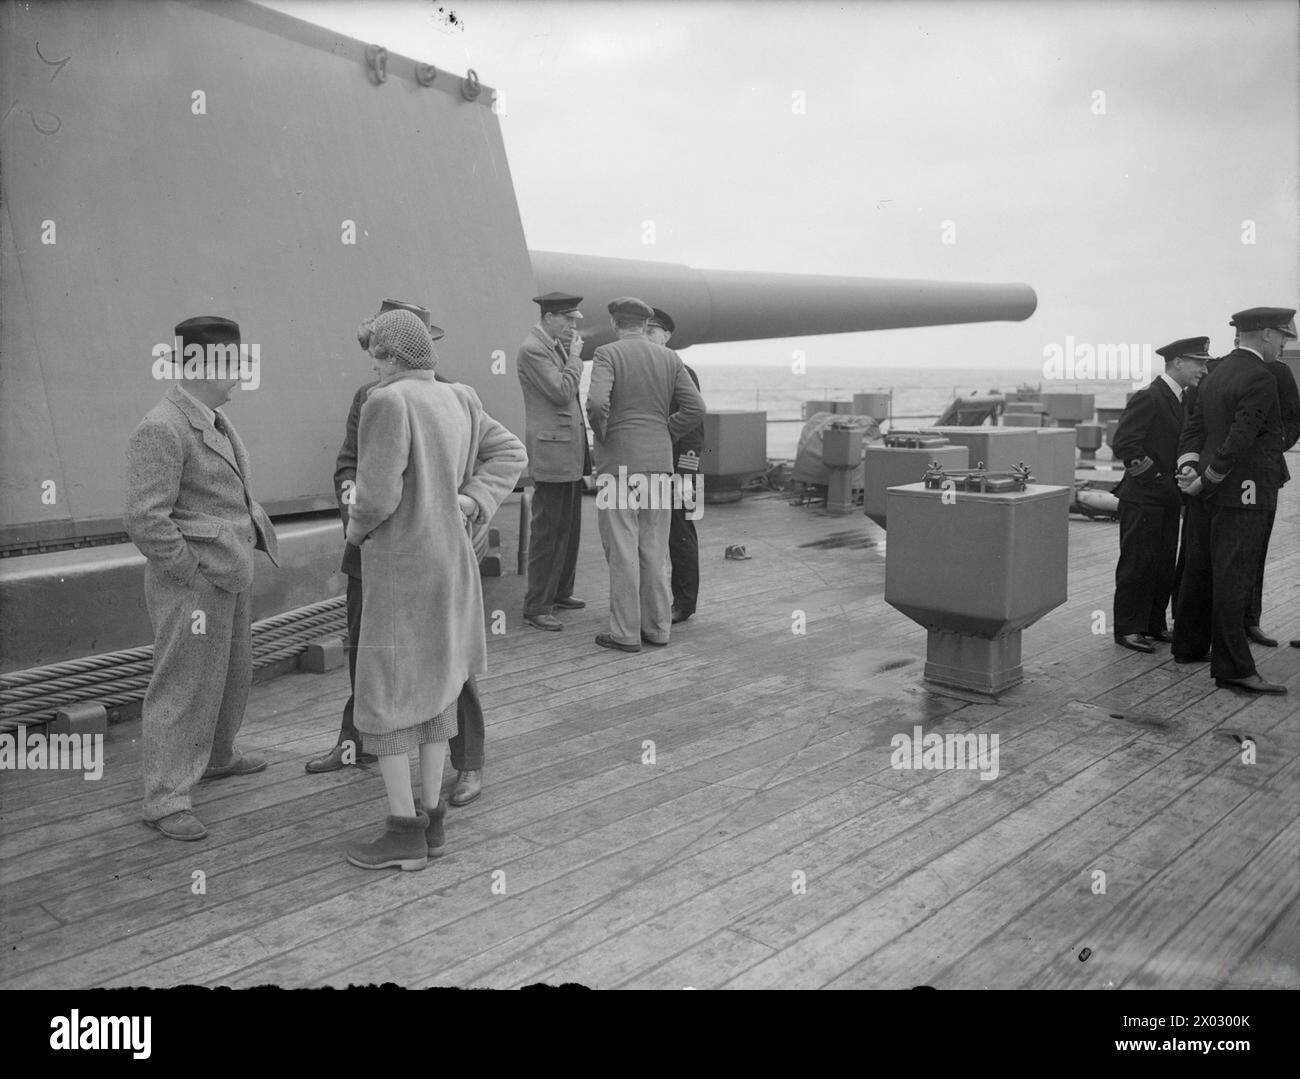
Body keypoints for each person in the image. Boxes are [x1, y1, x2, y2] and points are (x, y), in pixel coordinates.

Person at [344, 310, 525, 870]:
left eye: (376, 353)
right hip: (454, 565)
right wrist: (472, 500)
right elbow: (512, 452)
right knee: (438, 690)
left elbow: (375, 498)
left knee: (388, 697)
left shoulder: (387, 402)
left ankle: (403, 833)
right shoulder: (461, 397)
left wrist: (355, 533)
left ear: (394, 356)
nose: (373, 364)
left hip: (402, 569)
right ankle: (433, 821)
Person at [306, 299, 495, 808]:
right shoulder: (370, 396)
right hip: (378, 556)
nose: (374, 360)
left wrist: (472, 503)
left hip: (412, 551)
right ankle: (358, 745)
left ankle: (467, 763)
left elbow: (497, 454)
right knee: (366, 652)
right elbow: (351, 466)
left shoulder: (452, 396)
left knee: (448, 665)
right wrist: (353, 504)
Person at [125, 316, 279, 840]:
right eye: (235, 363)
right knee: (183, 686)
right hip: (193, 584)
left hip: (227, 574)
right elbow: (146, 519)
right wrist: (189, 573)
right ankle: (166, 799)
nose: (242, 374)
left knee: (232, 672)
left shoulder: (211, 419)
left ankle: (216, 756)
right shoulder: (161, 427)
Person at [1172, 307, 1292, 695]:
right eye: (1282, 337)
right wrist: (1208, 478)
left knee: (1200, 569)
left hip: (1208, 492)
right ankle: (1235, 667)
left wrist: (1191, 470)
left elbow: (1195, 427)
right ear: (1265, 334)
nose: (1284, 344)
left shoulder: (1216, 371)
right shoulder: (1260, 376)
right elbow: (1241, 437)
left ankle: (1189, 646)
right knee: (1233, 578)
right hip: (1244, 492)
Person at [586, 297, 706, 653]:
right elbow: (696, 408)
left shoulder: (607, 354)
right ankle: (657, 628)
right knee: (654, 548)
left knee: (622, 549)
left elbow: (595, 403)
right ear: (644, 324)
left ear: (614, 323)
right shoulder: (670, 358)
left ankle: (625, 632)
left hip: (618, 466)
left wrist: (605, 433)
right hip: (659, 464)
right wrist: (667, 430)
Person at [1110, 337, 1209, 653]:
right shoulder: (1150, 397)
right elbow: (1125, 445)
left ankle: (1153, 624)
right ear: (1178, 362)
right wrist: (1158, 478)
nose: (1204, 370)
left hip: (1166, 499)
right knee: (1137, 564)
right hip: (1143, 498)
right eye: (1199, 363)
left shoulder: (1183, 398)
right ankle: (1127, 629)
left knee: (1163, 564)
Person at [516, 292, 589, 632]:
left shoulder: (552, 345)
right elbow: (561, 392)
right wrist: (576, 358)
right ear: (548, 317)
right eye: (568, 319)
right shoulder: (533, 349)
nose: (573, 326)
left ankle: (560, 591)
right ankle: (537, 606)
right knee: (548, 530)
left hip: (568, 450)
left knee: (568, 526)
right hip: (553, 452)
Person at [646, 307, 704, 624]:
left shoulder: (682, 371)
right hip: (650, 467)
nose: (647, 337)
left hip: (680, 469)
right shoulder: (643, 370)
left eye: (652, 331)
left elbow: (695, 429)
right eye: (643, 331)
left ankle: (684, 602)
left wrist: (686, 472)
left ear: (667, 336)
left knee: (680, 535)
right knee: (652, 535)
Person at [1242, 339, 1300, 645]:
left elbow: (1293, 418)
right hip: (1226, 474)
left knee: (1256, 549)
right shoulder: (1222, 368)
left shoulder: (1279, 372)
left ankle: (1249, 620)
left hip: (1265, 474)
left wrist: (1274, 447)